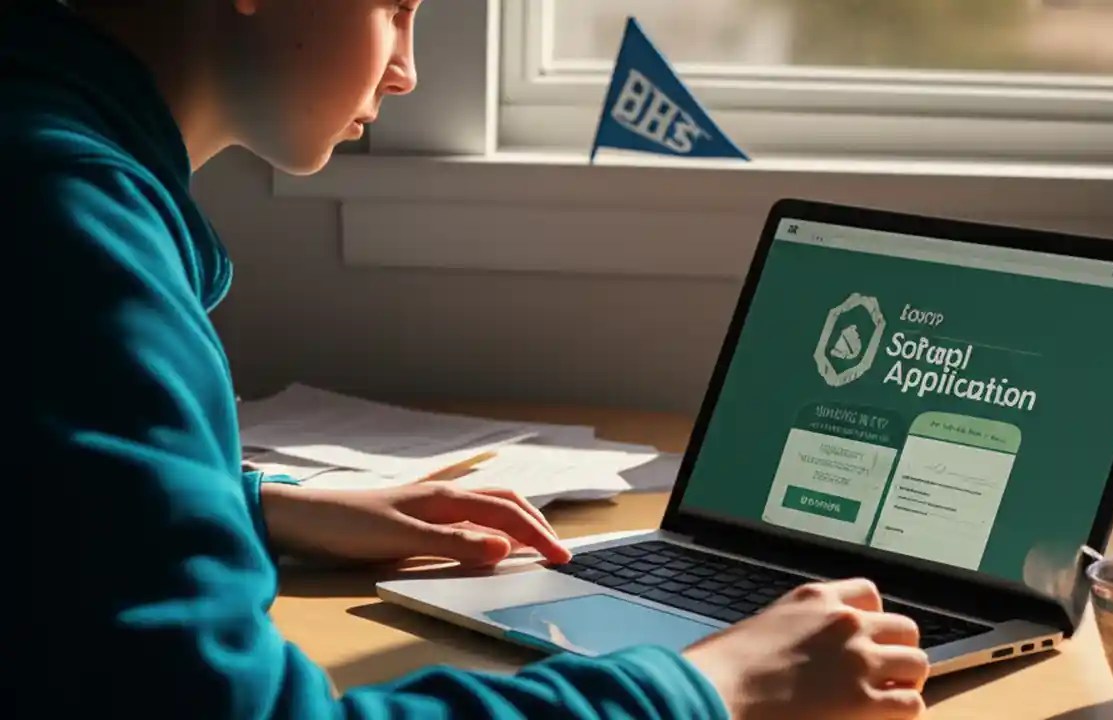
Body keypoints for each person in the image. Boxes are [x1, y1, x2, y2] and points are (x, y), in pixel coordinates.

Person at [11, 1, 930, 717]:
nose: (407, 71)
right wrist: (711, 689)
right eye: (397, 11)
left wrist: (257, 508)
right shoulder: (70, 234)